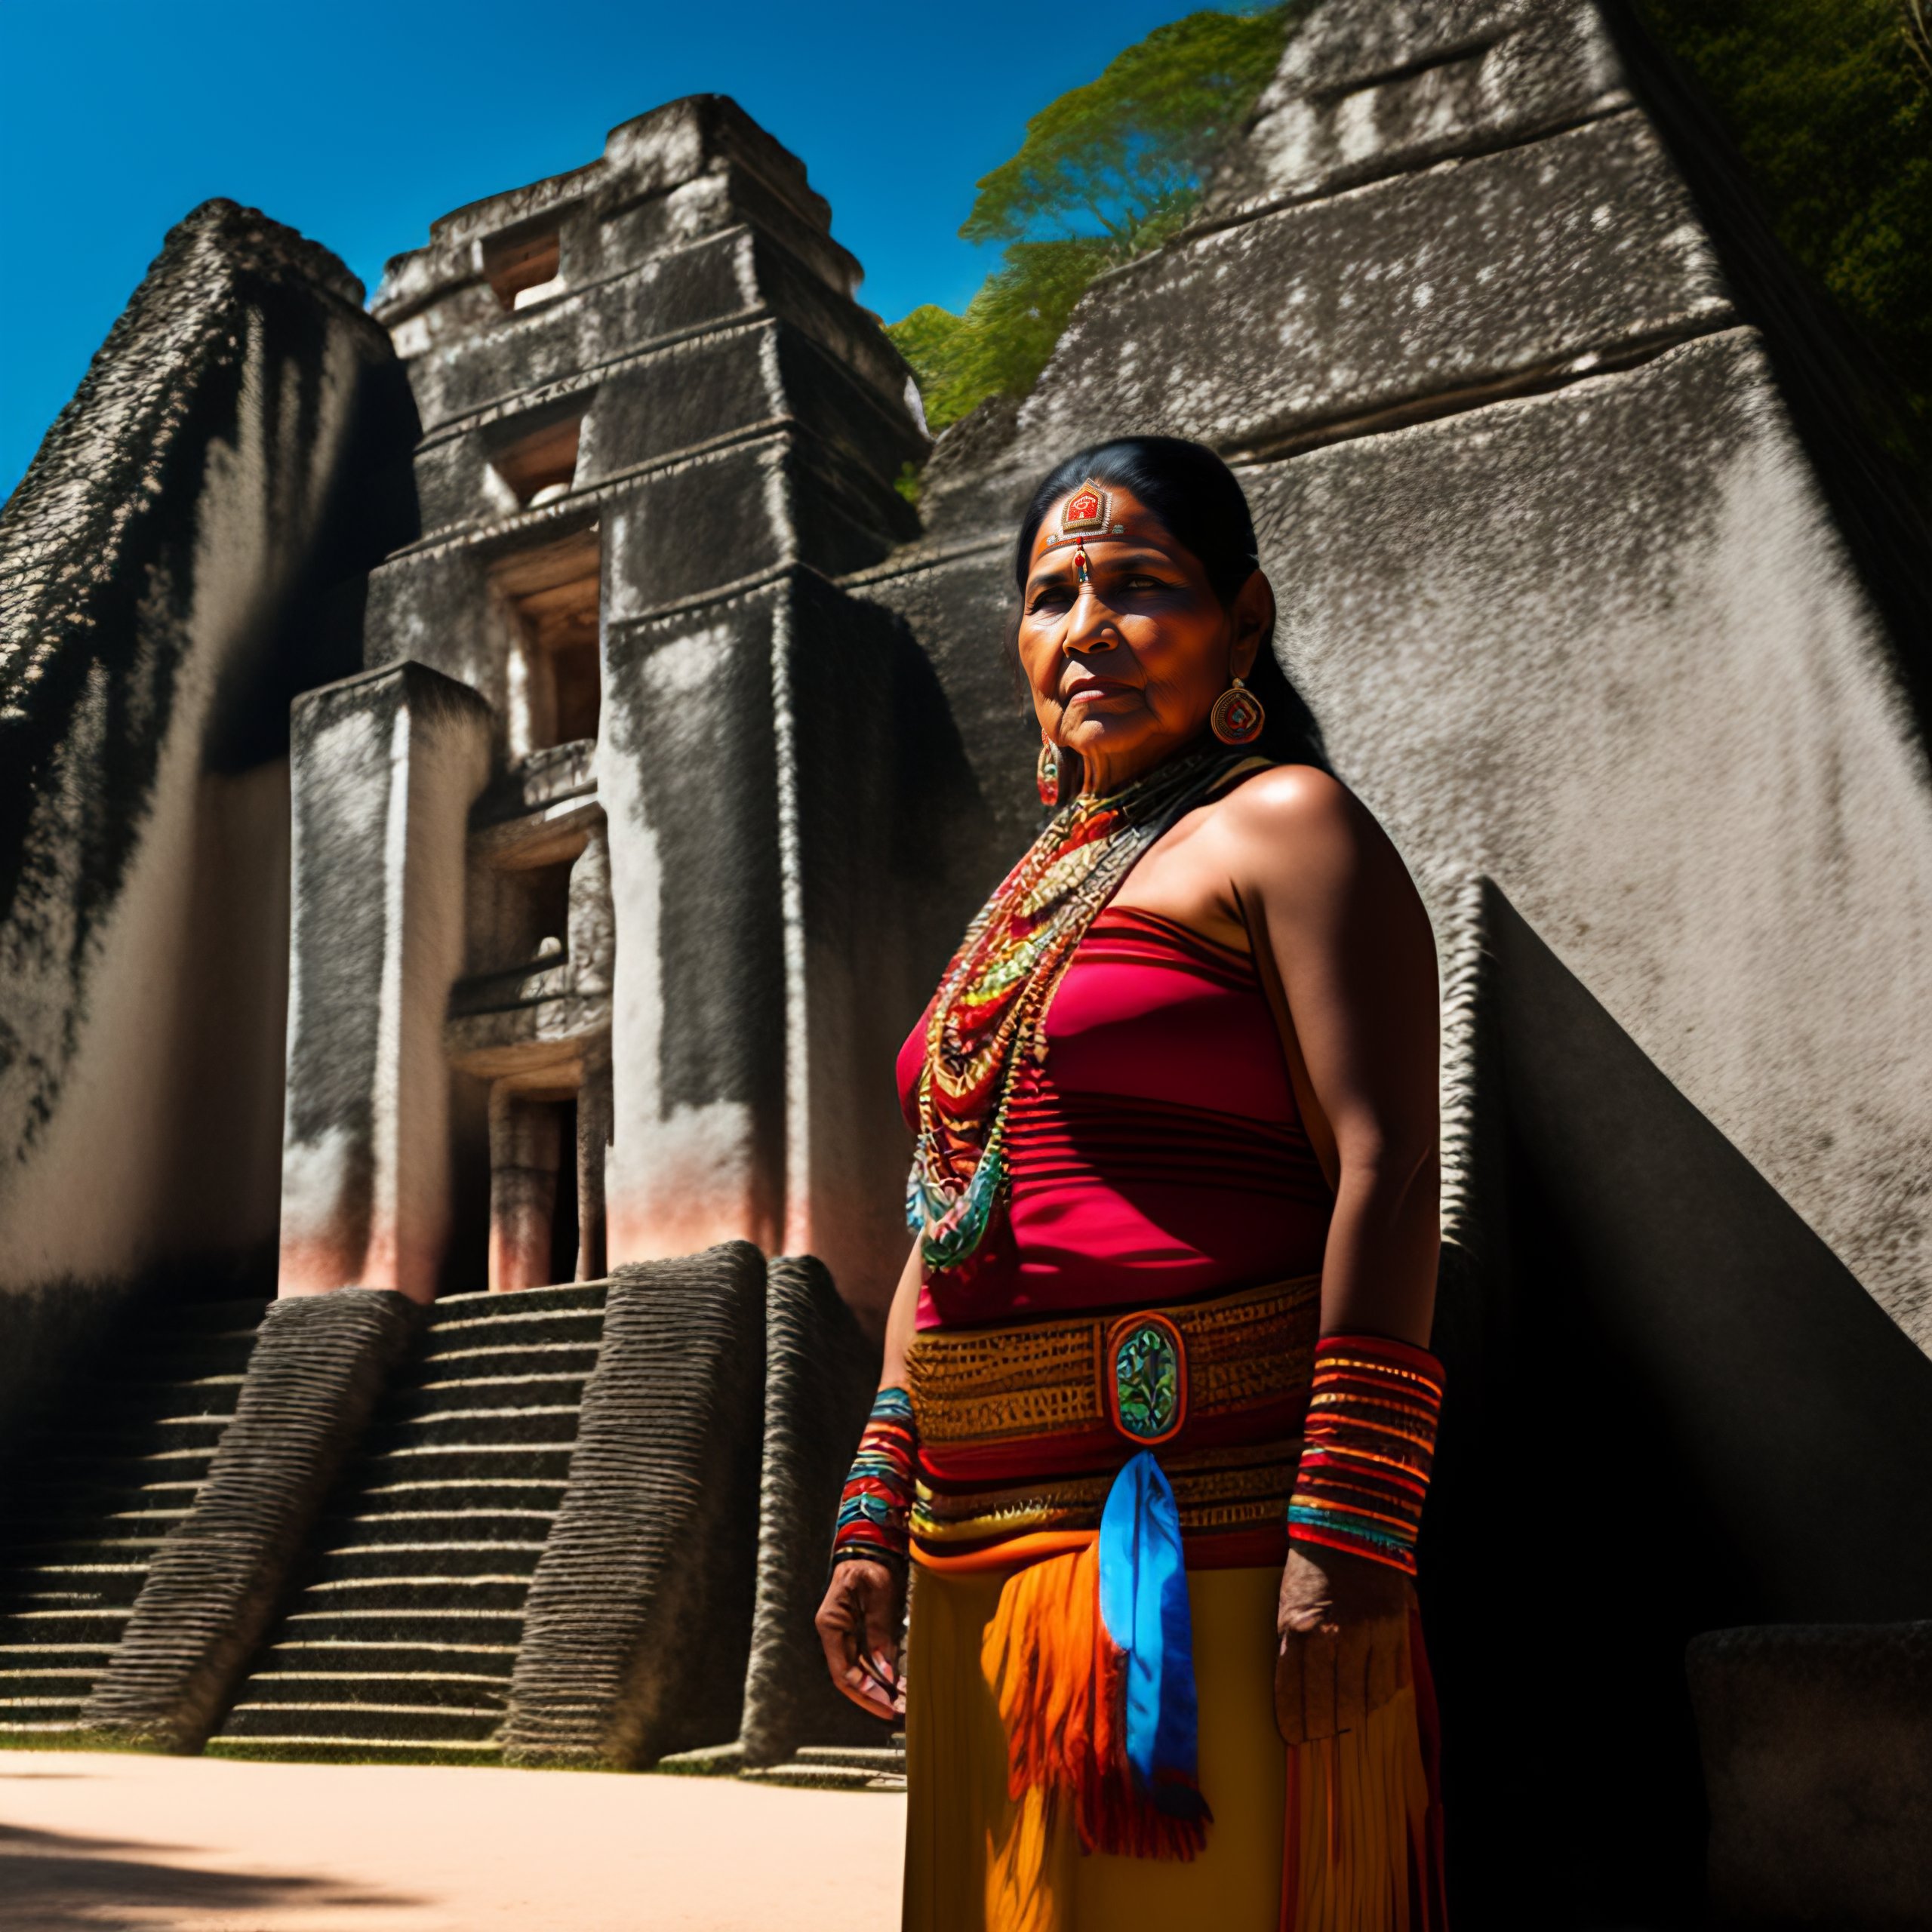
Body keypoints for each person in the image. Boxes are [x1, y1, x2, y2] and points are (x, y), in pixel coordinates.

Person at [817, 436, 1447, 1931]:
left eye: (1137, 586)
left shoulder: (1283, 826)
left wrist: (1349, 1523)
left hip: (1197, 1548)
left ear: (1242, 619)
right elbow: (943, 1202)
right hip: (975, 1557)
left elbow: (1387, 1157)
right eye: (1049, 596)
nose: (1084, 628)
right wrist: (871, 1495)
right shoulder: (1025, 891)